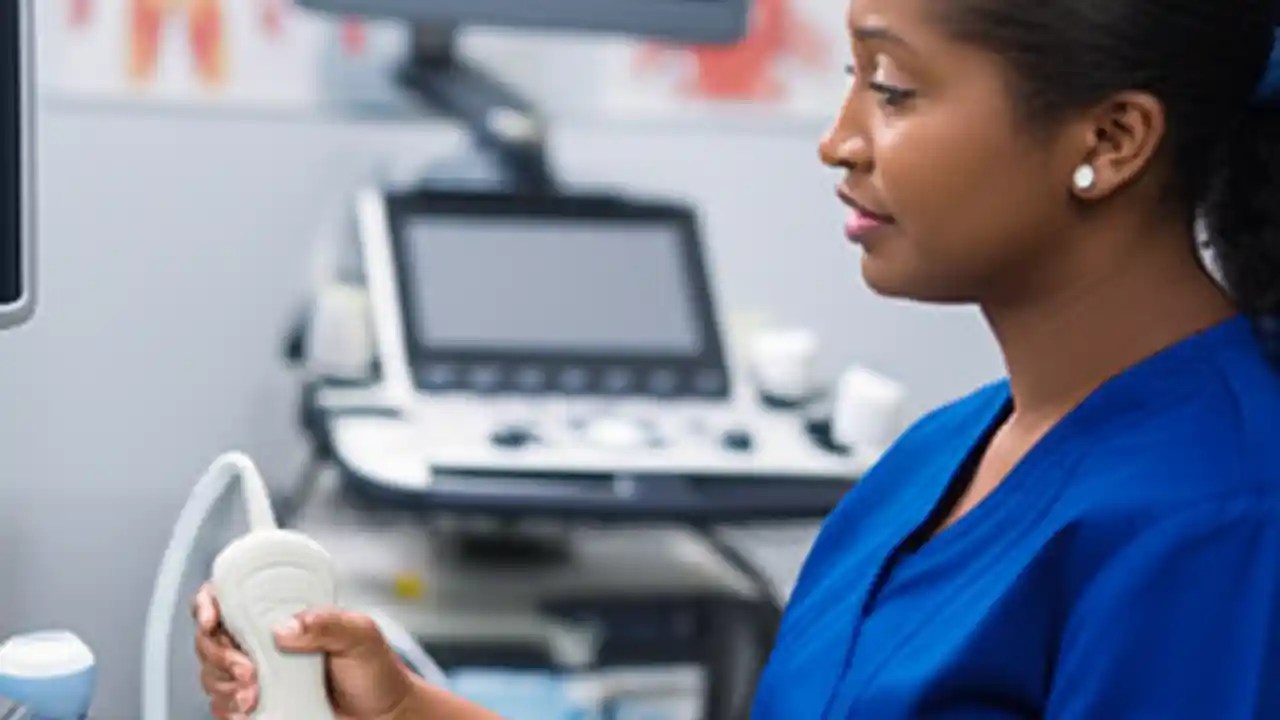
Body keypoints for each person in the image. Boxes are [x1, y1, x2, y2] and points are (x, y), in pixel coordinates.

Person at [194, 0, 1280, 717]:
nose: (838, 138)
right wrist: (403, 708)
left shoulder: (1217, 525)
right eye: (850, 76)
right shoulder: (938, 457)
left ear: (1109, 140)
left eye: (893, 89)